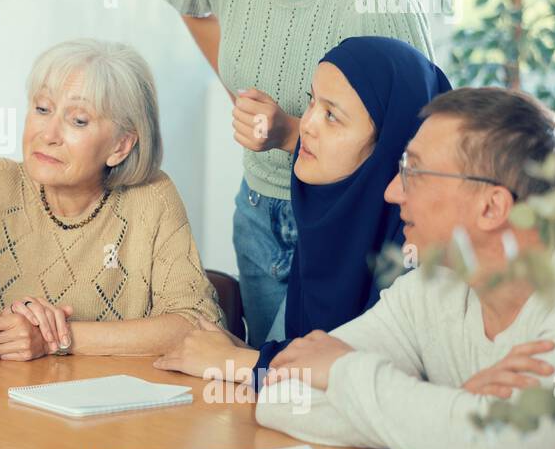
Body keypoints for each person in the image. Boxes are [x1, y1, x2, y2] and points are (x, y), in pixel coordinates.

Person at [158, 0, 434, 347]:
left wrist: (289, 132)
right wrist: (237, 83)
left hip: (347, 228)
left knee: (312, 385)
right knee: (269, 399)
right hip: (259, 210)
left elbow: (413, 149)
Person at [256, 87, 555, 449]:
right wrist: (454, 408)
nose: (392, 192)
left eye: (414, 171)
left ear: (491, 208)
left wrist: (342, 371)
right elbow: (279, 396)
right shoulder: (431, 289)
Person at [0, 40, 224, 359]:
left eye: (79, 120)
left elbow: (196, 325)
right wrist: (6, 333)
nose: (48, 134)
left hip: (113, 422)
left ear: (120, 146)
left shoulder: (151, 199)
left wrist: (57, 337)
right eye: (42, 109)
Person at [155, 37, 450, 384]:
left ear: (389, 146)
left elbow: (376, 385)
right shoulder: (329, 208)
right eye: (312, 101)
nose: (306, 124)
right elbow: (309, 355)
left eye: (332, 116)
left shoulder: (422, 255)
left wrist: (243, 363)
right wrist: (244, 355)